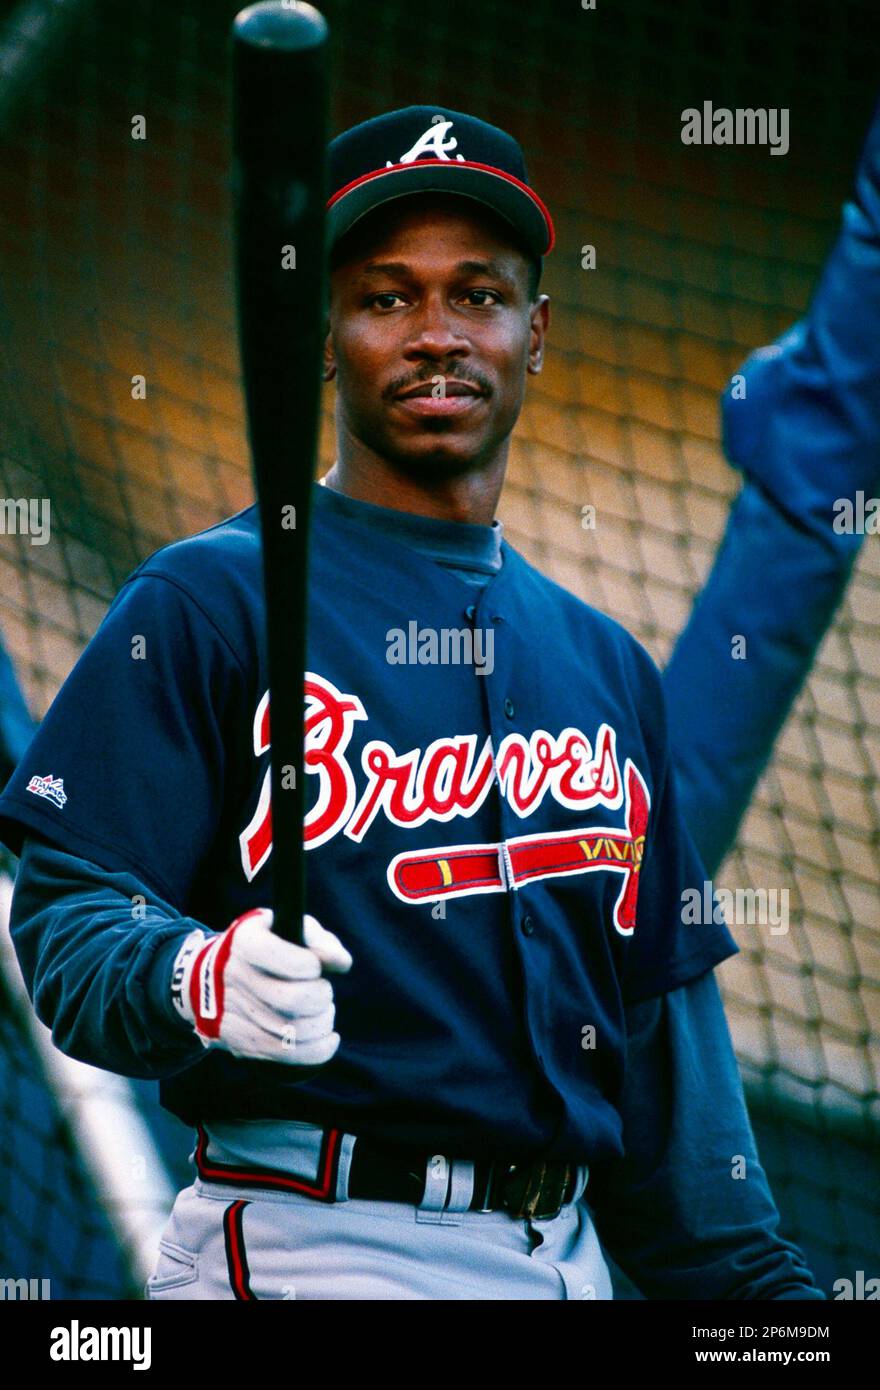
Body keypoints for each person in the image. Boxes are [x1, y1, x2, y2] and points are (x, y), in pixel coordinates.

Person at [0, 106, 824, 1300]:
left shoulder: (602, 667)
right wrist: (192, 973)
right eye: (386, 296)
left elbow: (677, 1124)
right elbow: (67, 921)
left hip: (568, 1263)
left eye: (477, 294)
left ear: (535, 330)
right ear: (323, 331)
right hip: (314, 1240)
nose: (438, 333)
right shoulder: (209, 601)